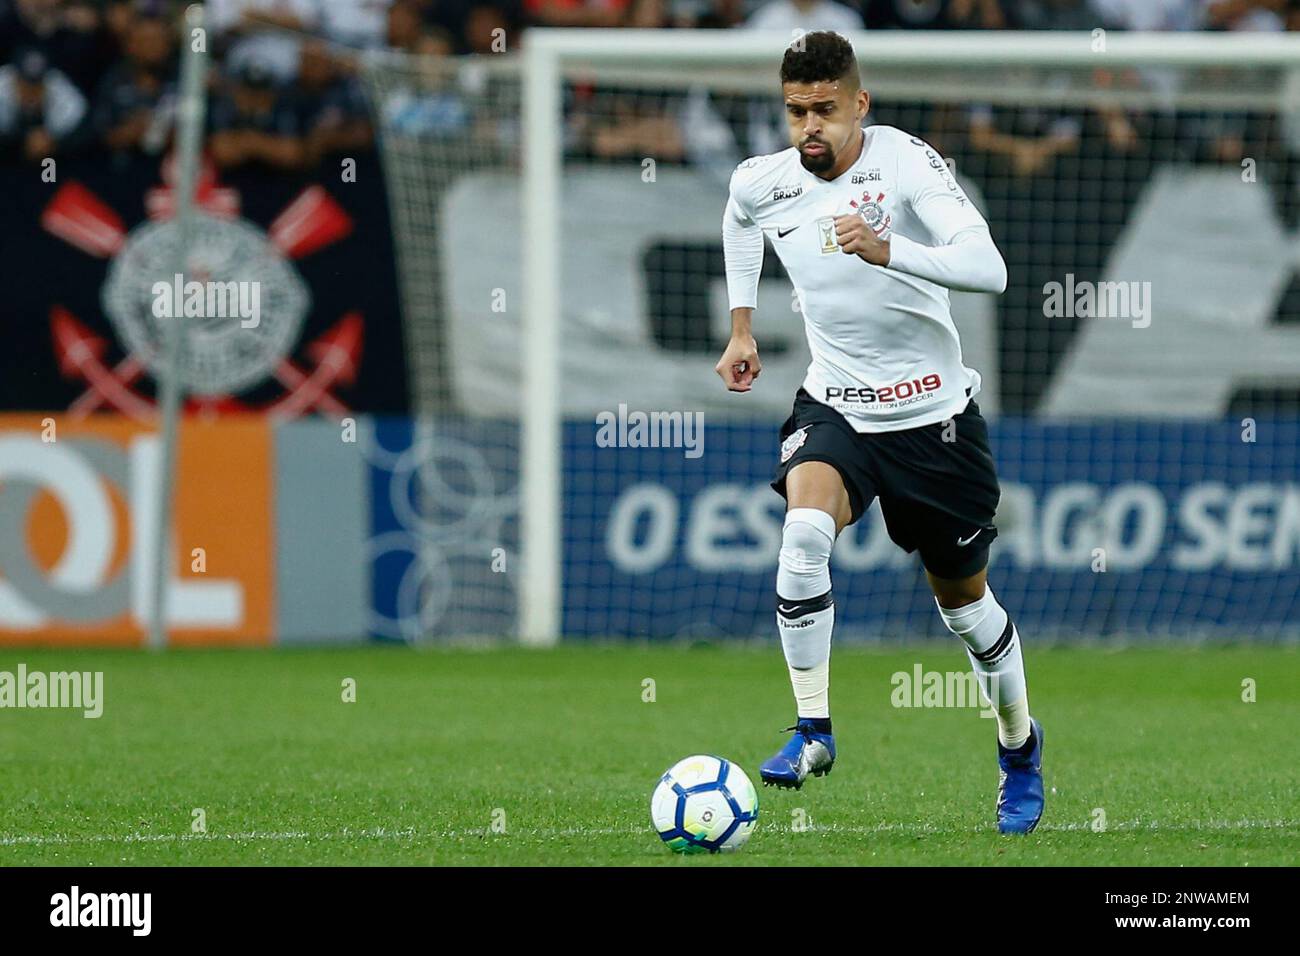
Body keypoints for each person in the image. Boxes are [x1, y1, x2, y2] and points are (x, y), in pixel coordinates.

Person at [716, 31, 1044, 833]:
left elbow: (990, 269)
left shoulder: (904, 163)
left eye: (825, 109)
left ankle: (1019, 747)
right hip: (837, 410)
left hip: (933, 423)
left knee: (965, 608)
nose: (810, 128)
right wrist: (742, 326)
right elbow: (738, 217)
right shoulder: (763, 180)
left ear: (860, 104)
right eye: (796, 112)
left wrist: (889, 248)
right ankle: (813, 730)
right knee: (802, 536)